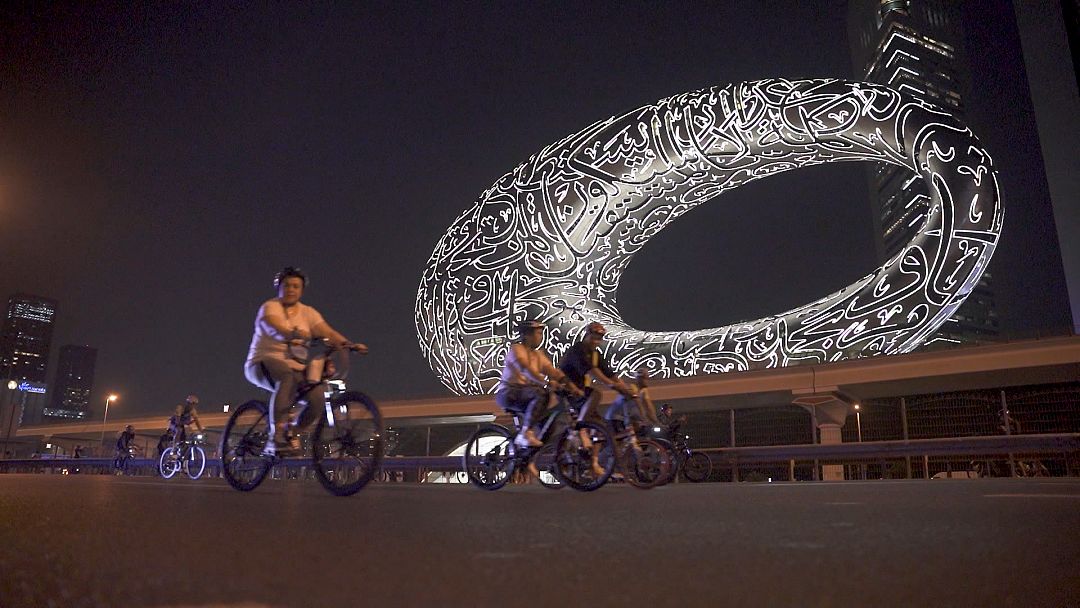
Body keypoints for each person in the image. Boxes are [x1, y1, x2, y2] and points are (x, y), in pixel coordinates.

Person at [243, 267, 367, 455]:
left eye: (296, 286)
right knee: (286, 377)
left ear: (302, 290)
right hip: (261, 362)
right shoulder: (270, 307)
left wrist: (348, 344)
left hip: (294, 368)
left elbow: (328, 332)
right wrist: (290, 334)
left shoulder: (308, 313)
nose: (291, 290)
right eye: (286, 286)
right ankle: (275, 437)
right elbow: (271, 324)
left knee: (317, 396)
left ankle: (291, 433)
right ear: (279, 288)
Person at [559, 321, 635, 475]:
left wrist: (625, 388)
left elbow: (610, 374)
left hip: (580, 391)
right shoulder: (578, 350)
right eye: (594, 337)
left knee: (600, 428)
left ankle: (593, 463)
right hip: (567, 389)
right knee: (596, 394)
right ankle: (580, 427)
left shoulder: (595, 354)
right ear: (587, 335)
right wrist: (613, 386)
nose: (596, 341)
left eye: (600, 338)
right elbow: (594, 372)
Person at [496, 320, 581, 450]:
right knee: (540, 393)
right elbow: (525, 369)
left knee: (547, 426)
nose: (540, 337)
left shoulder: (537, 355)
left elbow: (554, 372)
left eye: (541, 333)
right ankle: (525, 432)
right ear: (526, 335)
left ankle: (529, 459)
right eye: (538, 333)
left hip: (526, 394)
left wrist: (571, 387)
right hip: (509, 392)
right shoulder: (517, 349)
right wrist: (546, 382)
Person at [604, 368, 660, 435]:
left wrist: (657, 422)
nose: (647, 381)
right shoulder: (631, 387)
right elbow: (638, 403)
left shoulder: (643, 391)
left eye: (648, 378)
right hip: (615, 417)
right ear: (639, 378)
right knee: (620, 441)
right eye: (645, 378)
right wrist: (645, 419)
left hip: (625, 418)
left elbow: (649, 406)